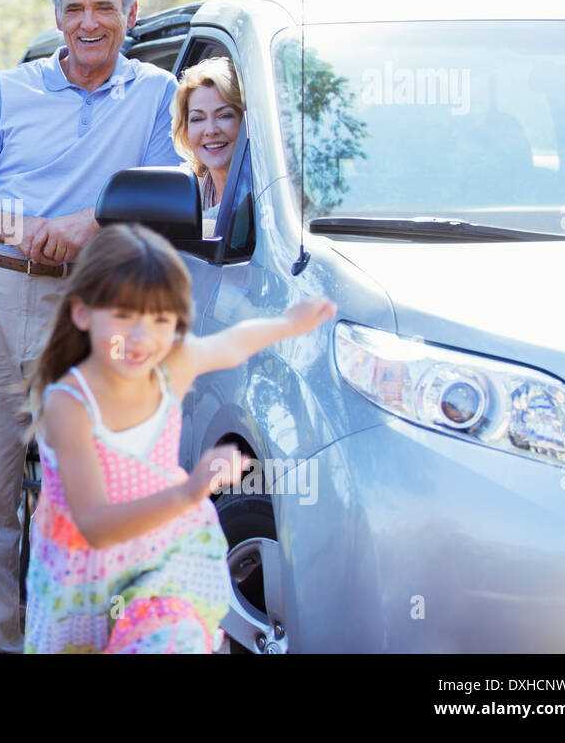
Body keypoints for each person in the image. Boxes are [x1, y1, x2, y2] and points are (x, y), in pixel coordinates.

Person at [0, 0, 184, 654]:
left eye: (105, 7)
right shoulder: (8, 91)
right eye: (75, 8)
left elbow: (173, 195)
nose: (89, 21)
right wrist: (17, 227)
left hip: (92, 302)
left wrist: (89, 225)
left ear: (131, 16)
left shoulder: (160, 95)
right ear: (57, 18)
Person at [23, 223, 335, 653]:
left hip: (159, 562)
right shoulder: (70, 404)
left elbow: (231, 344)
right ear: (81, 312)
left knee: (169, 641)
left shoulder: (172, 363)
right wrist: (191, 489)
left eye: (160, 319)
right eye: (124, 315)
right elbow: (95, 525)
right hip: (83, 579)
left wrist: (286, 324)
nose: (141, 337)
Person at [172, 56, 246, 209]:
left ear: (245, 121)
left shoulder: (268, 199)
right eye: (198, 118)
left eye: (224, 115)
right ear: (185, 128)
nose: (211, 131)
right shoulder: (182, 198)